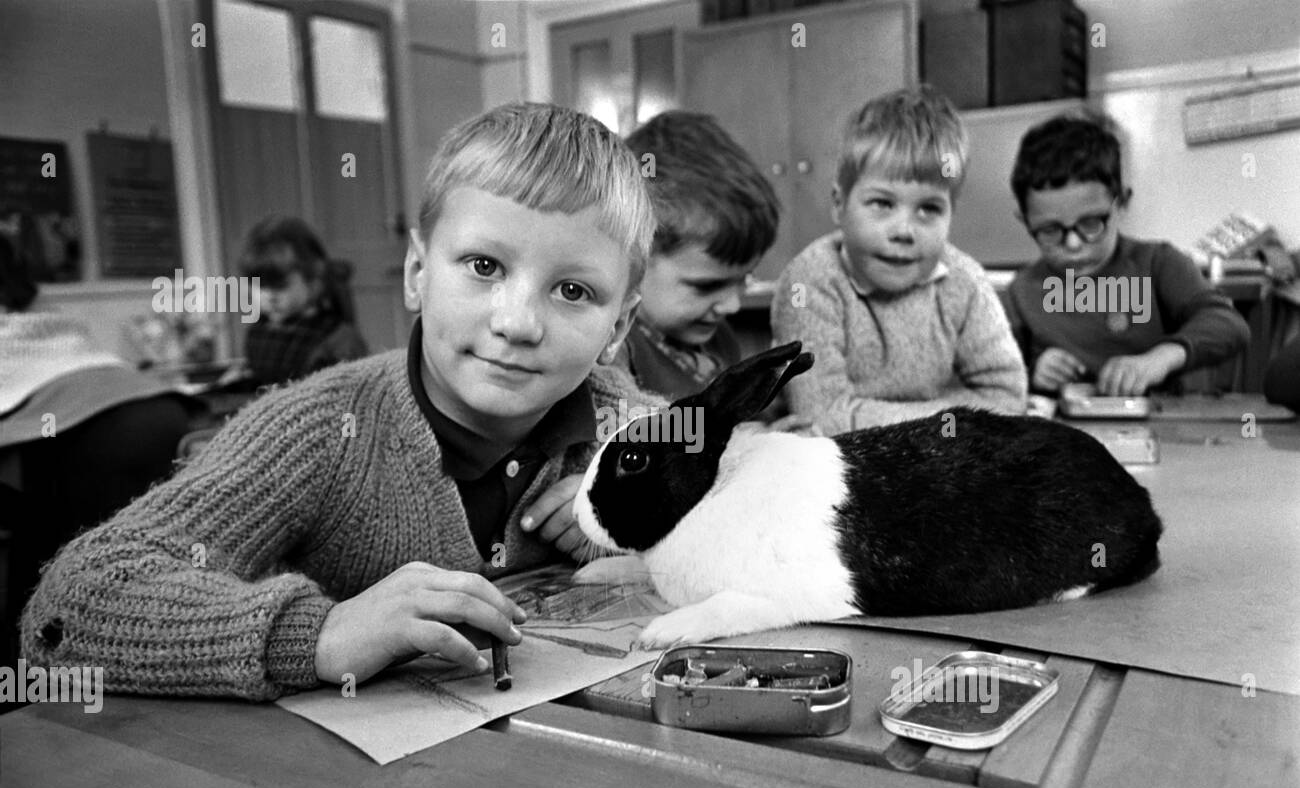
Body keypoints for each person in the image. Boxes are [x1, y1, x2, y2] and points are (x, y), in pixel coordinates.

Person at [20, 103, 661, 701]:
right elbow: (62, 616)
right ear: (417, 274)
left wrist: (626, 533)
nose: (517, 323)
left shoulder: (630, 425)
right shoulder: (320, 431)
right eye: (485, 267)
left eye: (573, 290)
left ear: (619, 327)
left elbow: (752, 507)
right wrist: (319, 634)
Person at [771, 86, 1026, 434]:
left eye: (929, 209)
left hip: (940, 464)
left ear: (952, 213)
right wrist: (954, 416)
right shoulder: (809, 281)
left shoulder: (966, 280)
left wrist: (863, 419)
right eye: (882, 203)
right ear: (839, 204)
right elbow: (820, 417)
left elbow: (1008, 399)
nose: (904, 230)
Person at [0, 235, 192, 676]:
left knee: (49, 583)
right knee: (137, 574)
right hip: (159, 413)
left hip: (90, 437)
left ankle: (34, 689)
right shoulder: (45, 321)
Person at [1006, 110, 1249, 395]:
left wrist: (1160, 359)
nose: (1073, 244)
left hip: (1158, 427)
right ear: (1025, 221)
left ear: (1121, 204)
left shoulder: (1158, 264)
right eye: (1049, 231)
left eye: (1091, 223)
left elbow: (1230, 326)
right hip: (1066, 434)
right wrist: (1031, 373)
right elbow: (992, 372)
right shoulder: (1020, 292)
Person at [617, 111, 779, 402]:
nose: (732, 305)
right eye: (706, 286)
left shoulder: (719, 340)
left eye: (744, 279)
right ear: (632, 257)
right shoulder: (614, 353)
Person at [238, 215, 369, 385]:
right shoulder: (258, 330)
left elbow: (356, 392)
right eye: (261, 286)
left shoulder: (339, 338)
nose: (270, 296)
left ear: (313, 282)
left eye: (280, 286)